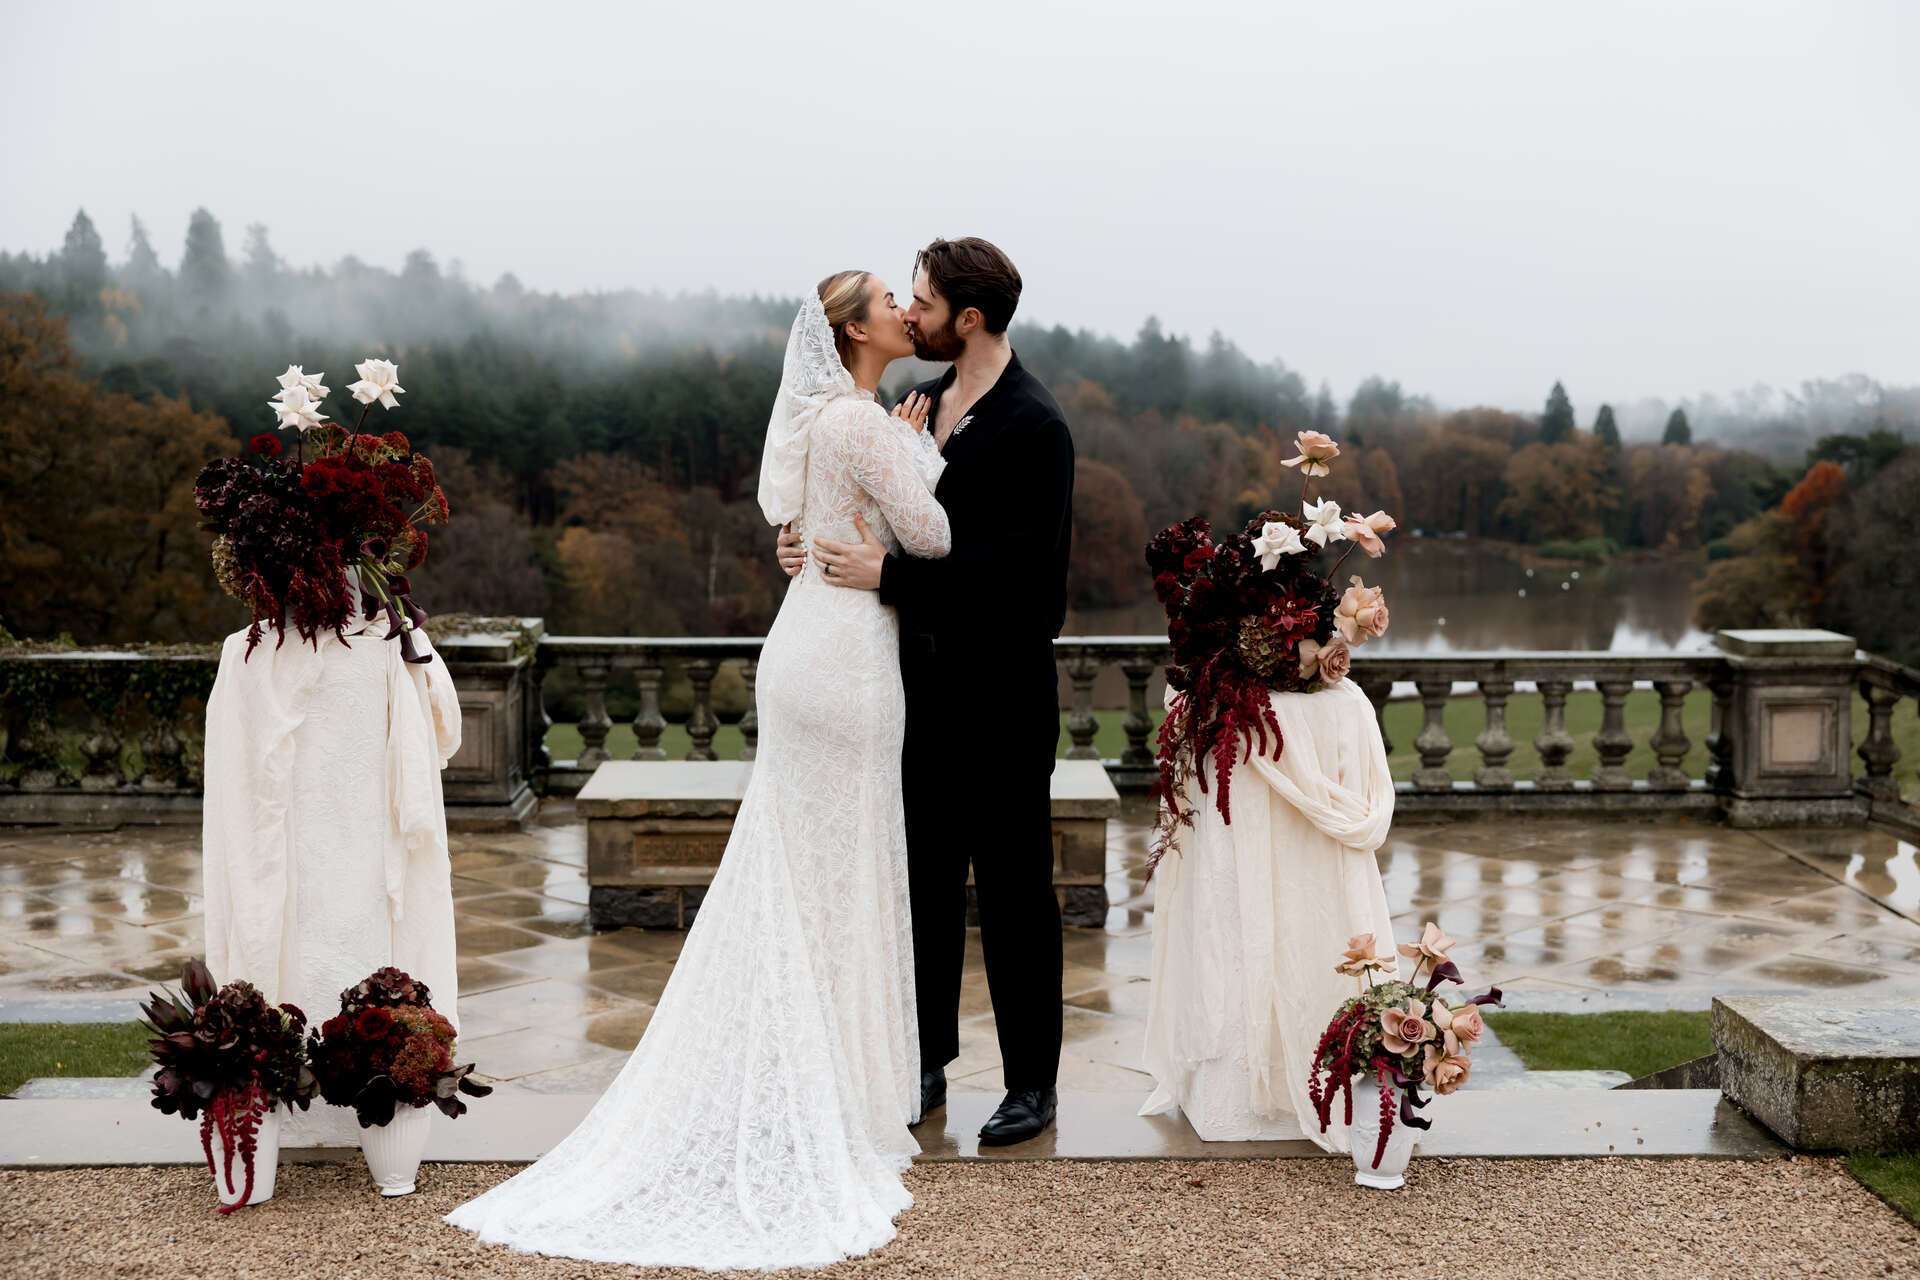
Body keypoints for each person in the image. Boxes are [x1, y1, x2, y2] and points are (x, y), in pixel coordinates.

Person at [447, 271, 949, 1270]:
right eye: (890, 298)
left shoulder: (827, 419)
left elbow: (811, 526)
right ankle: (820, 1091)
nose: (905, 307)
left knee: (807, 875)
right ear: (853, 329)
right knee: (834, 876)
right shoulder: (858, 423)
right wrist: (922, 452)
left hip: (816, 648)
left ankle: (800, 1079)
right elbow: (930, 536)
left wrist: (895, 458)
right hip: (845, 662)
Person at [785, 237, 1075, 1147]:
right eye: (903, 300)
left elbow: (1033, 593)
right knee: (923, 885)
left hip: (1005, 697)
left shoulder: (1038, 426)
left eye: (922, 302)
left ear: (970, 318)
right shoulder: (925, 405)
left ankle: (1033, 1082)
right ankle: (925, 1059)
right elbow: (871, 509)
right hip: (917, 693)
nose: (909, 315)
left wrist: (892, 578)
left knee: (1018, 891)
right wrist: (805, 543)